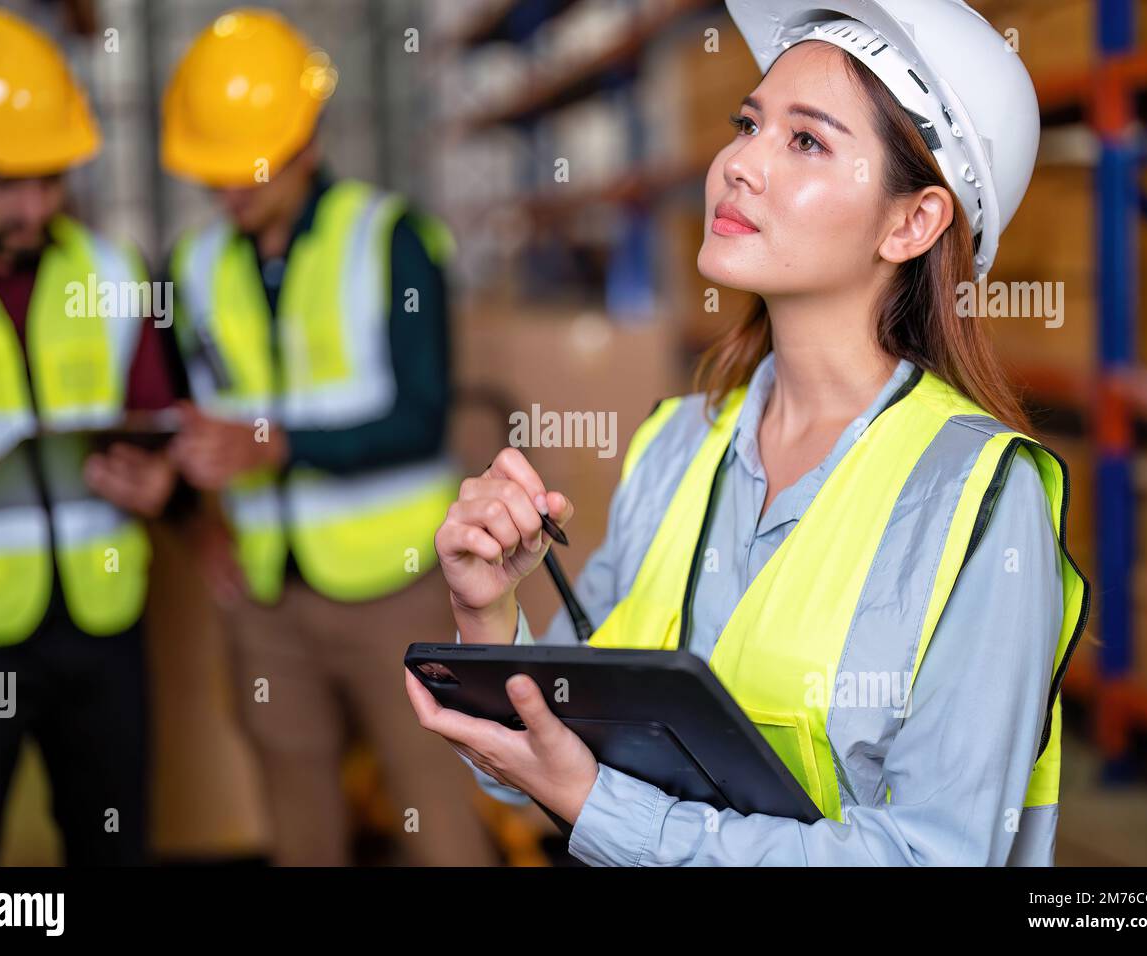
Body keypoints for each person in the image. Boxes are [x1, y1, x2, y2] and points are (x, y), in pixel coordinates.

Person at [408, 0, 1089, 866]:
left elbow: (934, 855)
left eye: (805, 141)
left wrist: (608, 815)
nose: (738, 164)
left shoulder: (981, 499)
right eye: (748, 123)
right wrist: (488, 617)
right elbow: (544, 759)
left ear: (911, 223)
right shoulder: (678, 447)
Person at [160, 8, 498, 866]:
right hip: (265, 596)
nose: (230, 190)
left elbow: (421, 420)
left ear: (305, 139)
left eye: (248, 169)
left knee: (438, 818)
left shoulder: (389, 241)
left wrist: (276, 445)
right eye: (215, 173)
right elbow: (180, 418)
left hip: (397, 589)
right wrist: (193, 520)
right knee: (299, 827)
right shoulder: (193, 266)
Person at [0, 7, 179, 865]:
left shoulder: (111, 271)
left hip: (101, 624)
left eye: (51, 178)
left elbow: (155, 420)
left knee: (114, 844)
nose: (35, 206)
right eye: (6, 181)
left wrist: (161, 482)